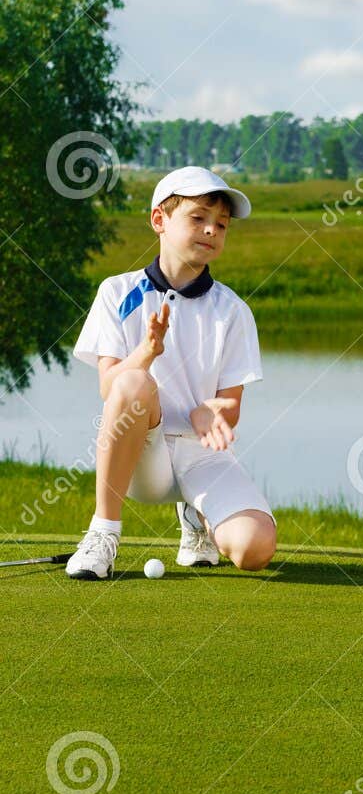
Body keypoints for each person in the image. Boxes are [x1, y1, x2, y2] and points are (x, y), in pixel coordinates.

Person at [65, 166, 277, 580]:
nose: (211, 230)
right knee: (132, 380)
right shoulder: (116, 291)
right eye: (198, 218)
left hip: (203, 455)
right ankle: (103, 533)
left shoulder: (233, 310)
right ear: (159, 220)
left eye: (221, 224)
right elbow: (112, 387)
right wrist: (147, 350)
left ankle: (196, 519)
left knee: (256, 549)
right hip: (143, 457)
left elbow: (230, 408)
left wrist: (209, 412)